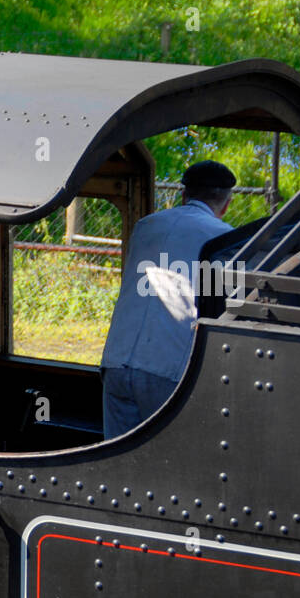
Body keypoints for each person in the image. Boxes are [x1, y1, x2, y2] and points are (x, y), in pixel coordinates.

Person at [100, 160, 236, 438]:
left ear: (184, 195)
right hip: (169, 368)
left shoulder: (145, 226)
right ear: (226, 204)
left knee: (116, 462)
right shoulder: (226, 239)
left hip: (116, 359)